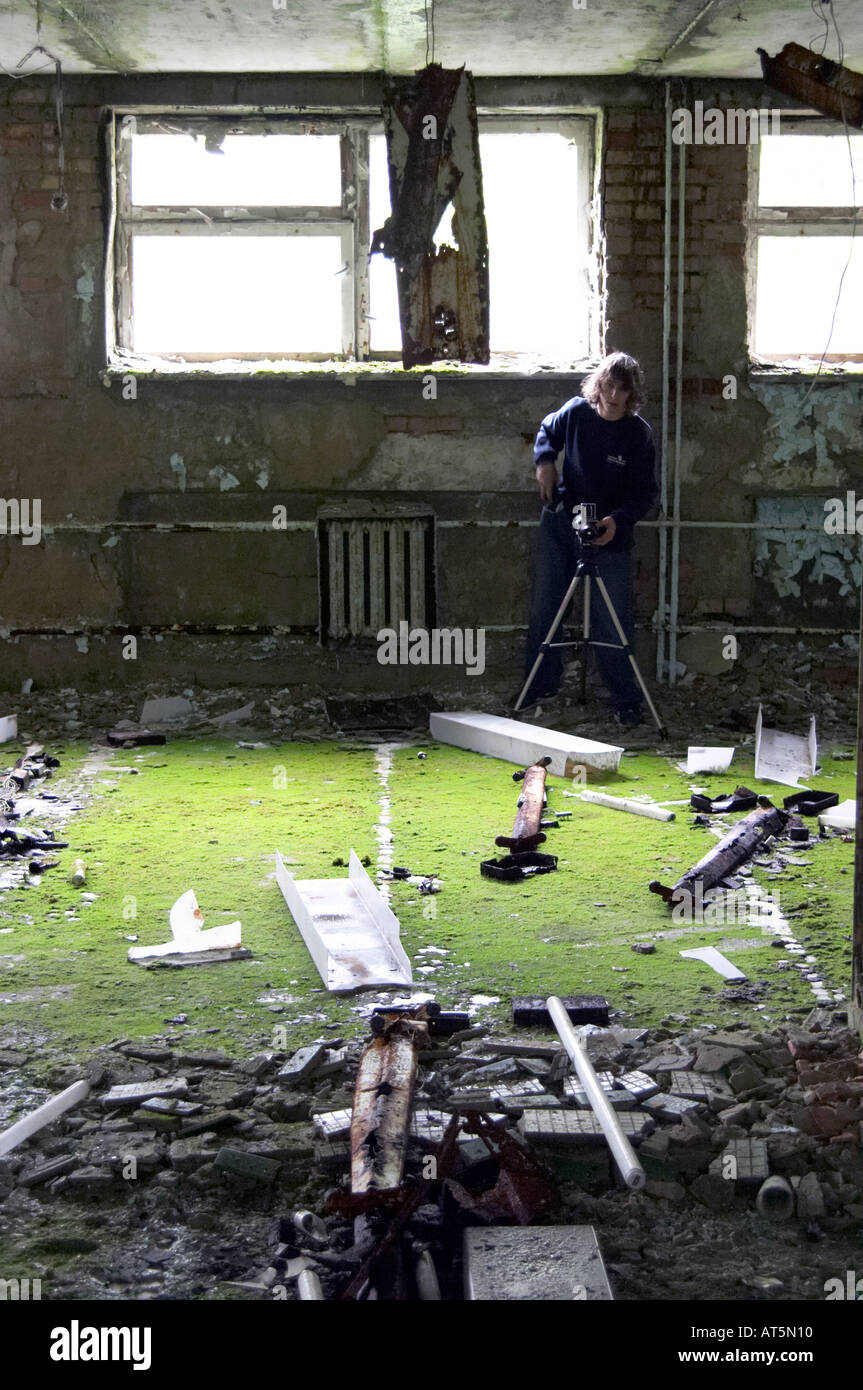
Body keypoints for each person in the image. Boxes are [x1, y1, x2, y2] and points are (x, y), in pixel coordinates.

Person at [522, 351, 658, 725]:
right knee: (547, 606)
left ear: (632, 394)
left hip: (609, 531)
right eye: (609, 385)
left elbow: (645, 494)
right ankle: (537, 687)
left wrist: (619, 521)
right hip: (563, 521)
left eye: (622, 389)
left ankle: (625, 699)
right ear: (598, 384)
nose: (613, 395)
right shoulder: (577, 412)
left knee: (611, 617)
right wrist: (544, 462)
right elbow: (547, 430)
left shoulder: (638, 434)